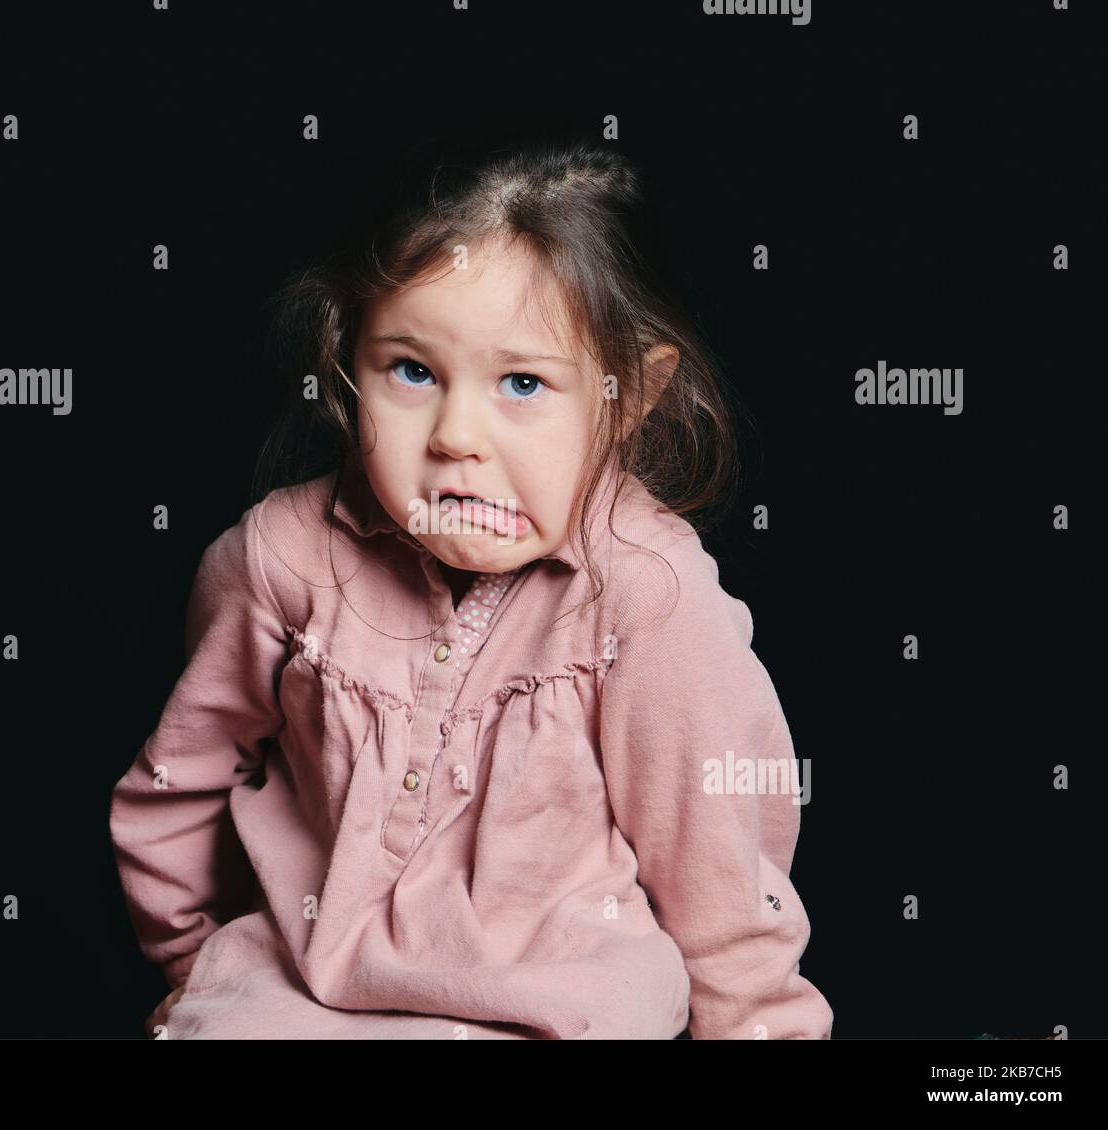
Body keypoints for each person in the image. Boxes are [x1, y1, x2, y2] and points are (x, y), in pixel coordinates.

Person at [110, 138, 834, 1040]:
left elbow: (719, 872)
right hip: (303, 996)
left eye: (523, 383)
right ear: (348, 361)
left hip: (558, 1009)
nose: (456, 435)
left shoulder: (648, 594)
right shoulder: (283, 559)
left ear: (630, 397)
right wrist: (191, 960)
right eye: (411, 371)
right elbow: (179, 777)